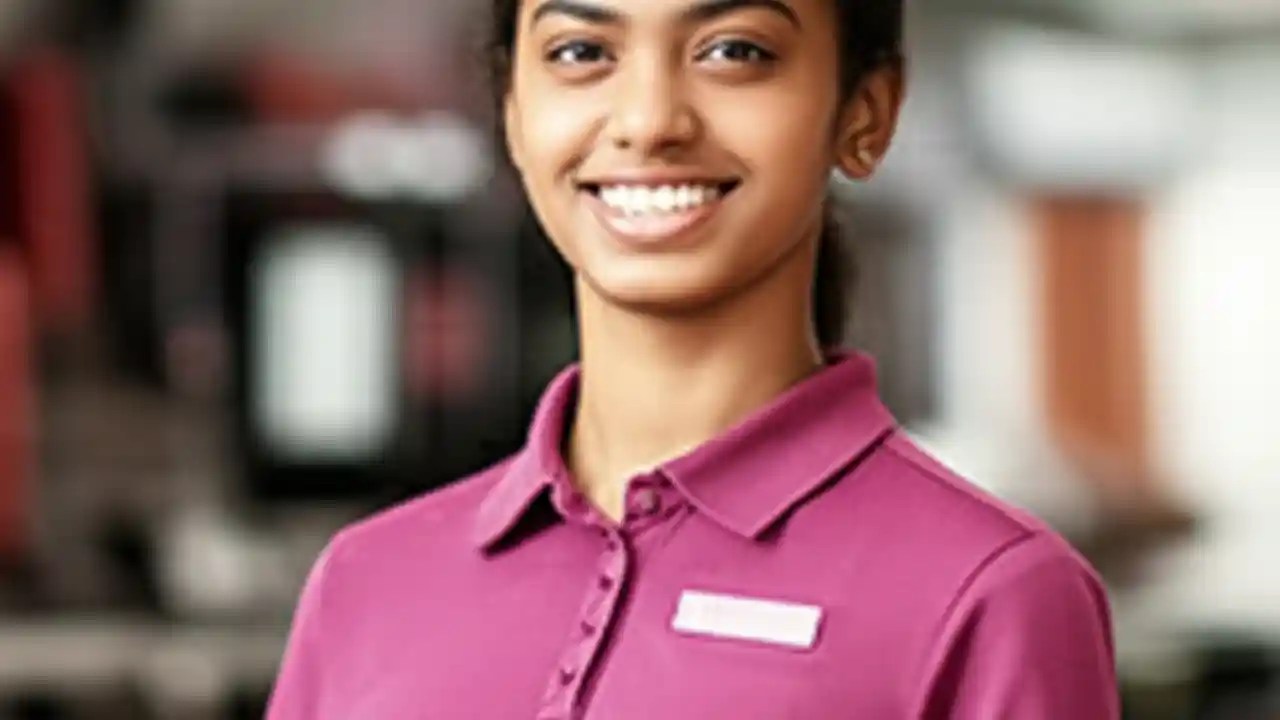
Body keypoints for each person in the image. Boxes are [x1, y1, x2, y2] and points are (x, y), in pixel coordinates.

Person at [265, 0, 1121, 717]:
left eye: (734, 52)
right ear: (513, 114)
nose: (649, 122)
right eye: (581, 52)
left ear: (865, 114)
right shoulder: (366, 582)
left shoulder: (992, 596)